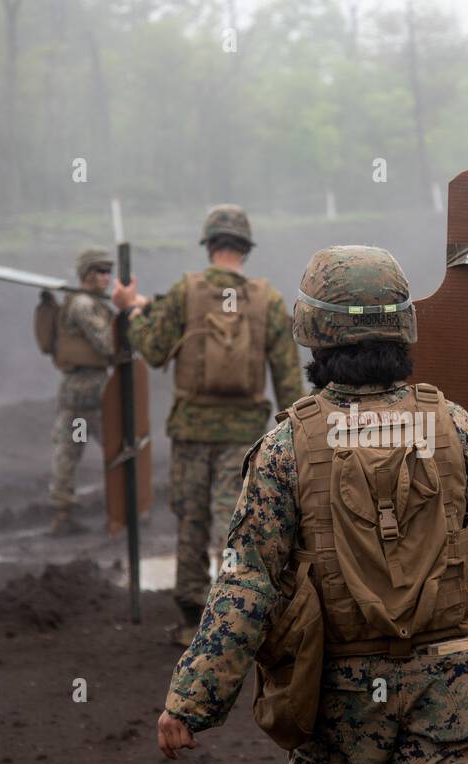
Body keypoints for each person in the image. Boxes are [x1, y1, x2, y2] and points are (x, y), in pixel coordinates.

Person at [155, 244, 468, 764]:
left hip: (340, 690)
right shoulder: (455, 427)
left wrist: (191, 702)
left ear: (314, 333)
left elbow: (245, 587)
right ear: (402, 328)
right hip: (448, 682)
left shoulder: (286, 446)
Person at [113, 205, 305, 637]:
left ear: (210, 245)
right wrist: (296, 441)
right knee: (232, 522)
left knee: (191, 519)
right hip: (243, 434)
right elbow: (289, 381)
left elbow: (155, 348)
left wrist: (131, 312)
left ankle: (188, 617)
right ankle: (231, 618)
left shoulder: (186, 291)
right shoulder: (269, 301)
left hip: (191, 431)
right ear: (245, 249)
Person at [49, 248, 116, 536]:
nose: (106, 278)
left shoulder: (89, 303)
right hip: (88, 395)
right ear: (87, 275)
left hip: (86, 393)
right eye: (100, 272)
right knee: (105, 451)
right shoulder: (85, 305)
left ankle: (69, 512)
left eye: (107, 272)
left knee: (75, 453)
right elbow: (108, 345)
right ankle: (64, 515)